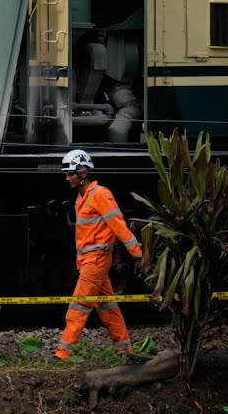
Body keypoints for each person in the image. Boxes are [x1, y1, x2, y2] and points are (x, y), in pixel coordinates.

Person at [55, 149, 143, 361]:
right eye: (66, 174)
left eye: (70, 174)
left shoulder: (100, 194)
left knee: (79, 304)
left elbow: (118, 224)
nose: (67, 178)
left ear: (83, 173)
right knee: (107, 306)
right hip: (89, 261)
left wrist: (136, 252)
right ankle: (125, 350)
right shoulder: (81, 199)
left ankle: (63, 354)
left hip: (97, 260)